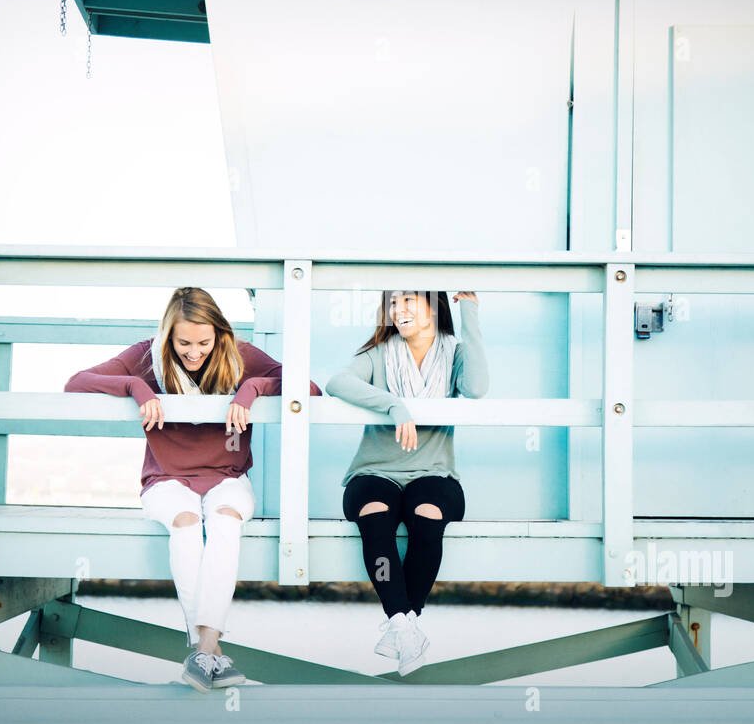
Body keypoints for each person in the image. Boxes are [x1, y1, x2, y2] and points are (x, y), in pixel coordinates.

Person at [64, 287, 322, 693]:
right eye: (184, 343)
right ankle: (210, 651)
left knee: (224, 523)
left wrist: (252, 387)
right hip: (166, 480)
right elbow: (76, 383)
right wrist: (135, 386)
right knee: (186, 525)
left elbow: (308, 389)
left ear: (219, 334)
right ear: (169, 336)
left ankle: (204, 648)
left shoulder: (240, 353)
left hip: (227, 478)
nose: (194, 352)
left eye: (204, 342)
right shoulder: (146, 356)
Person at [325, 290, 488, 676]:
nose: (398, 310)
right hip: (374, 471)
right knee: (375, 513)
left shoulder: (454, 353)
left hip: (433, 472)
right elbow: (337, 382)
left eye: (409, 300)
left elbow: (477, 387)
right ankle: (403, 622)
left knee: (427, 512)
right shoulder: (379, 354)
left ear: (434, 306)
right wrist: (395, 405)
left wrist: (471, 313)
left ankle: (402, 621)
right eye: (393, 303)